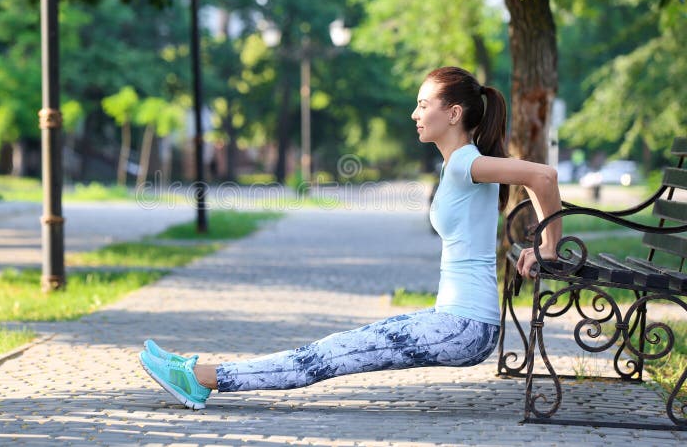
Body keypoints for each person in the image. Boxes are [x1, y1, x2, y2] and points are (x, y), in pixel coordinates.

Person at [138, 66, 562, 410]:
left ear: (452, 114)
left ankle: (200, 378)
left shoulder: (465, 163)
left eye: (423, 104)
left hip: (463, 327)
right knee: (330, 349)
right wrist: (542, 241)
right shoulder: (463, 163)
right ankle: (198, 370)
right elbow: (533, 182)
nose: (415, 114)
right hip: (455, 321)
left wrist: (548, 245)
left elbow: (542, 176)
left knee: (324, 358)